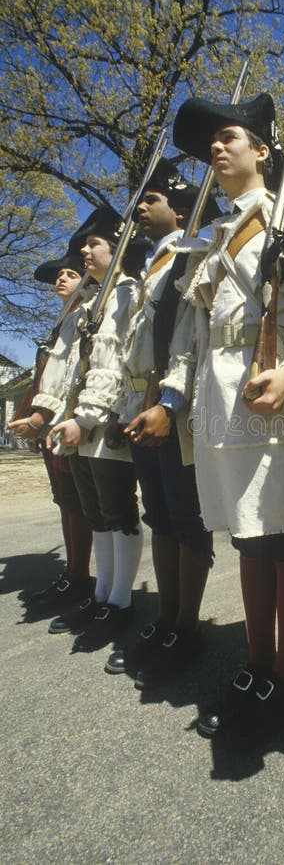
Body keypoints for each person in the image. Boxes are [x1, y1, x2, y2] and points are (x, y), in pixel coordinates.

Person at [171, 91, 284, 734]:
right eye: (213, 141)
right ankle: (257, 661)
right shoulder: (206, 236)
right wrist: (180, 397)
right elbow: (194, 326)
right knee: (244, 530)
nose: (218, 146)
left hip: (272, 386)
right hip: (219, 393)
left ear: (263, 151)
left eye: (231, 136)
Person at [105, 160, 218, 688]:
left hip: (176, 403)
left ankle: (188, 627)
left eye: (151, 199)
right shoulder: (149, 265)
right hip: (141, 403)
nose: (141, 209)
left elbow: (188, 338)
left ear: (178, 205)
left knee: (186, 516)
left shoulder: (189, 253)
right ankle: (167, 618)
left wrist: (171, 403)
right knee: (160, 515)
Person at [47, 206, 147, 653]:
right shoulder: (89, 304)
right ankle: (103, 593)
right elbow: (70, 367)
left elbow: (114, 364)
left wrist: (87, 416)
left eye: (94, 244)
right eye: (85, 244)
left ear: (118, 248)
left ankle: (121, 601)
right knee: (97, 515)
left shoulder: (127, 294)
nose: (85, 251)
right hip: (79, 420)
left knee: (117, 512)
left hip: (108, 418)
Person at [8, 238, 94, 611]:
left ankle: (81, 577)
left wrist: (53, 420)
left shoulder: (87, 315)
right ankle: (72, 574)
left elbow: (75, 375)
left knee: (79, 503)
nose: (61, 280)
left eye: (70, 273)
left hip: (71, 422)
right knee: (65, 501)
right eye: (58, 275)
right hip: (49, 423)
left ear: (87, 281)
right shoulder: (62, 320)